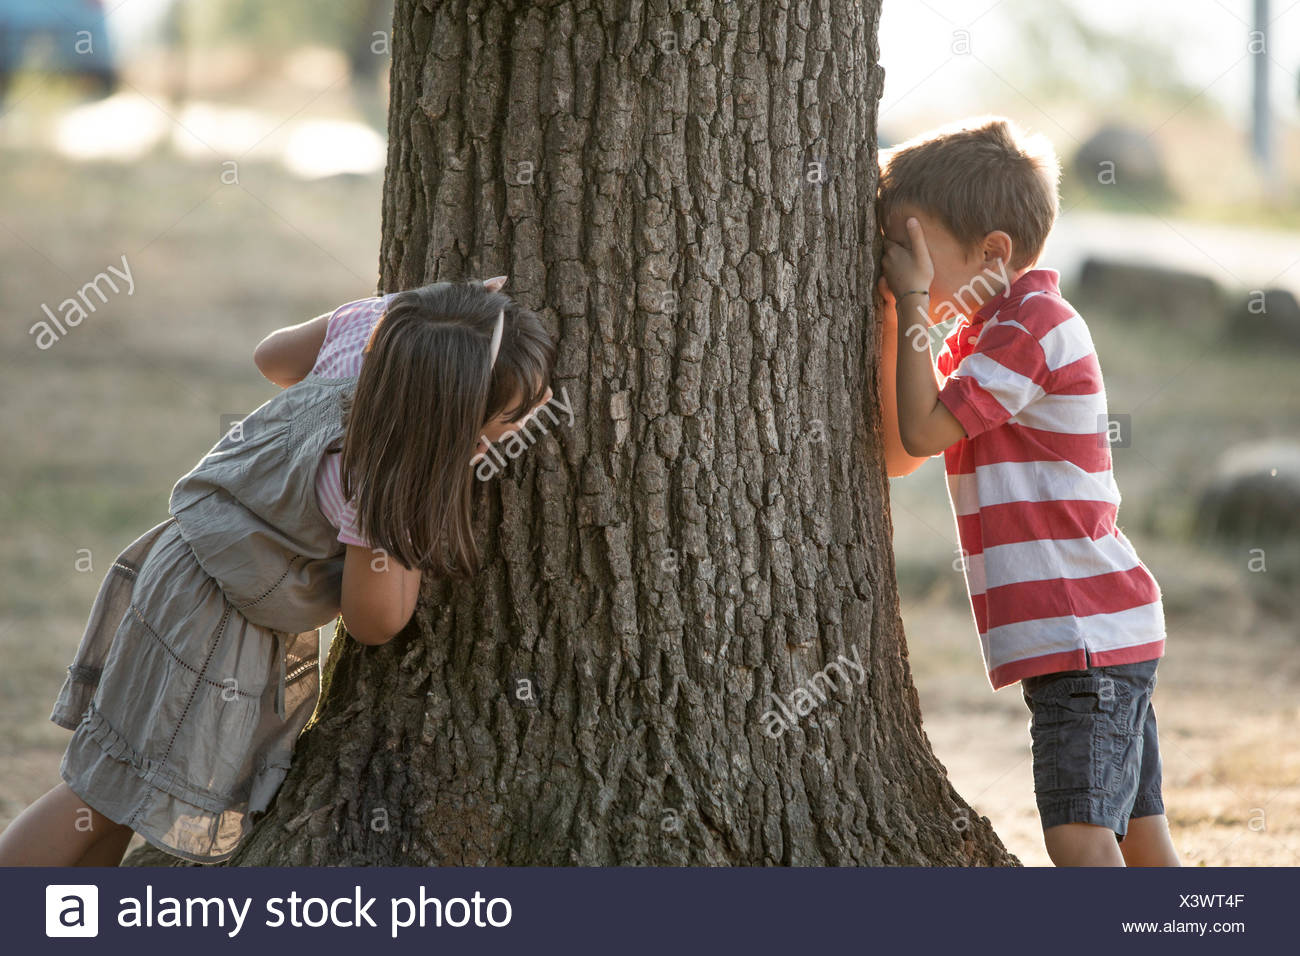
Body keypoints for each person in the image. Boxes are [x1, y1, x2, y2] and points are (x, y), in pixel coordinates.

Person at [0, 276, 556, 866]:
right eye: (515, 418)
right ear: (449, 423)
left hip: (179, 569)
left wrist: (396, 311)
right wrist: (428, 492)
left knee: (117, 791)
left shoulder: (365, 337)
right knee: (97, 796)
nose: (532, 420)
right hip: (212, 629)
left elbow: (273, 358)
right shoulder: (379, 477)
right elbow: (376, 621)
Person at [877, 116, 1180, 867]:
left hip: (1082, 638)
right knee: (1141, 841)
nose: (897, 267)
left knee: (1080, 839)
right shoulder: (990, 330)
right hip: (1097, 636)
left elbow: (919, 431)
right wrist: (895, 316)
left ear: (993, 253)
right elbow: (896, 454)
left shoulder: (1031, 328)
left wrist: (911, 304)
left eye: (915, 250)